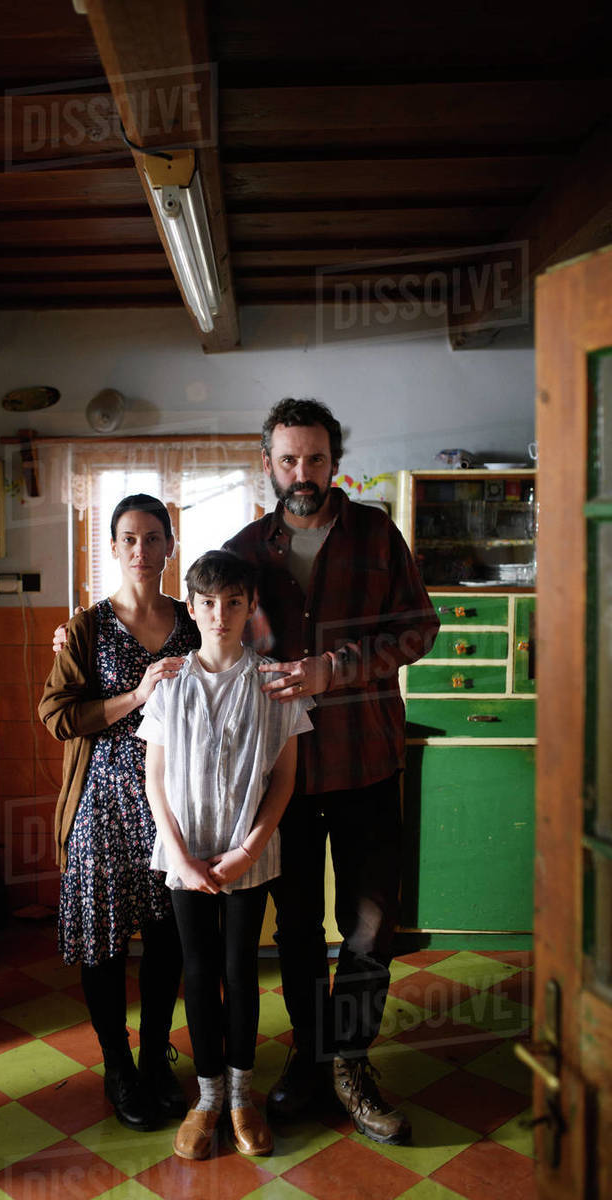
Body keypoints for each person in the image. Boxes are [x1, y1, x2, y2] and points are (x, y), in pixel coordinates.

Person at [223, 398, 440, 1145]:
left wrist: (336, 669)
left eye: (315, 459)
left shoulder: (378, 534)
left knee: (369, 926)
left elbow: (420, 627)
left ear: (334, 461)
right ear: (268, 464)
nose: (303, 474)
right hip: (282, 776)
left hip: (368, 764)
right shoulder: (246, 550)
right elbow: (214, 641)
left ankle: (351, 1061)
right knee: (296, 935)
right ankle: (310, 1062)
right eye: (288, 460)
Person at [137, 550, 313, 1161]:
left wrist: (247, 850)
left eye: (233, 602)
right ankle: (207, 1096)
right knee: (198, 971)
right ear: (192, 607)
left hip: (248, 856)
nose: (221, 614)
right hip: (183, 856)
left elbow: (284, 780)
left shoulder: (273, 681)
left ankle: (242, 1094)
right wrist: (181, 859)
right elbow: (155, 779)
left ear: (250, 606)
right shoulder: (169, 681)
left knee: (241, 973)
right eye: (208, 603)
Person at [38, 494, 200, 1132]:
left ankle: (156, 1054)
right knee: (104, 944)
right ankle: (116, 1065)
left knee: (168, 939)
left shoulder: (193, 622)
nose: (141, 550)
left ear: (169, 547)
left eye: (153, 537)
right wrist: (138, 693)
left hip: (172, 807)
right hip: (101, 805)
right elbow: (57, 715)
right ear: (113, 548)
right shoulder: (85, 627)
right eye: (128, 538)